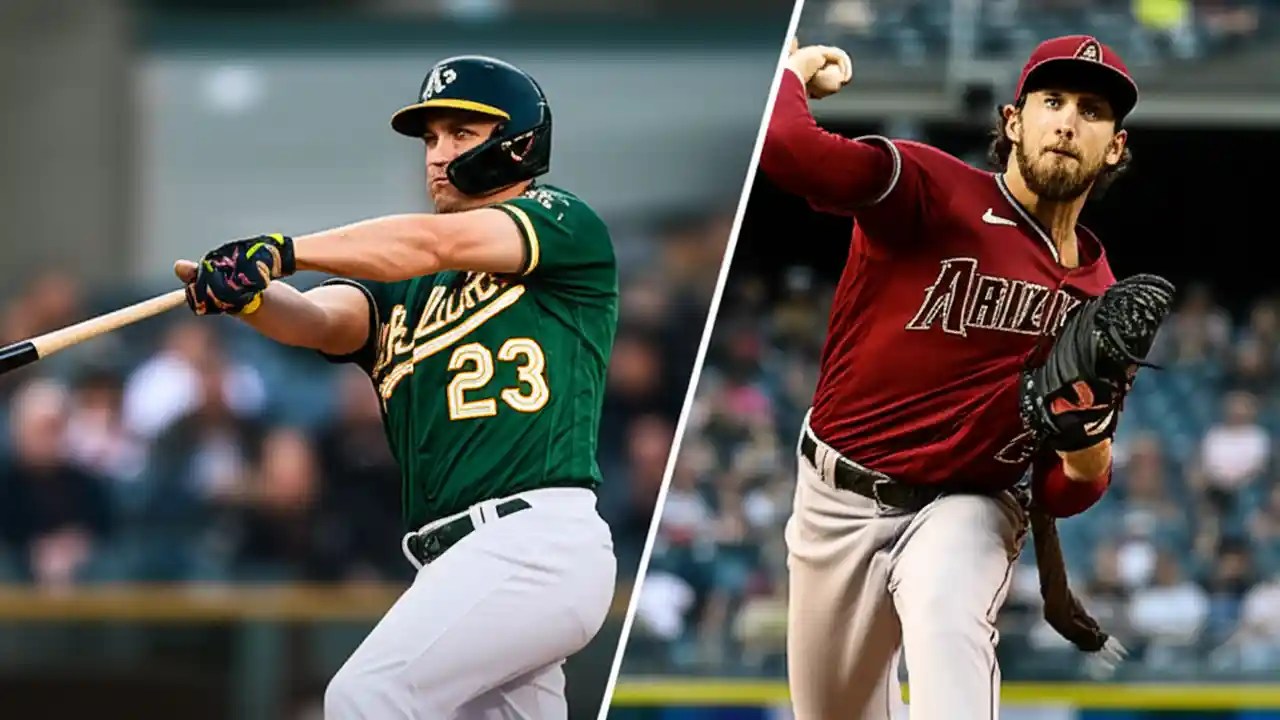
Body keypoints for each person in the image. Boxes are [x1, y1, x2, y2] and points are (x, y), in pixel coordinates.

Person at [174, 55, 619, 719]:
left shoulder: (560, 222)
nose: (438, 155)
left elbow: (431, 244)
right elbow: (322, 322)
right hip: (454, 561)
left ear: (519, 140)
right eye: (431, 138)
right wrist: (250, 298)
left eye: (461, 135)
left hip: (533, 541)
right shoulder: (401, 281)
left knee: (365, 696)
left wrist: (286, 250)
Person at [759, 35, 1139, 719]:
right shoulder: (931, 189)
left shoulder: (1104, 304)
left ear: (1114, 146)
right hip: (836, 497)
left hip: (969, 501)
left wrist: (1089, 453)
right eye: (1050, 101)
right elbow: (788, 150)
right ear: (1012, 121)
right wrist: (792, 73)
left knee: (945, 613)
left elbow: (1065, 484)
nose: (1067, 121)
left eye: (1091, 110)